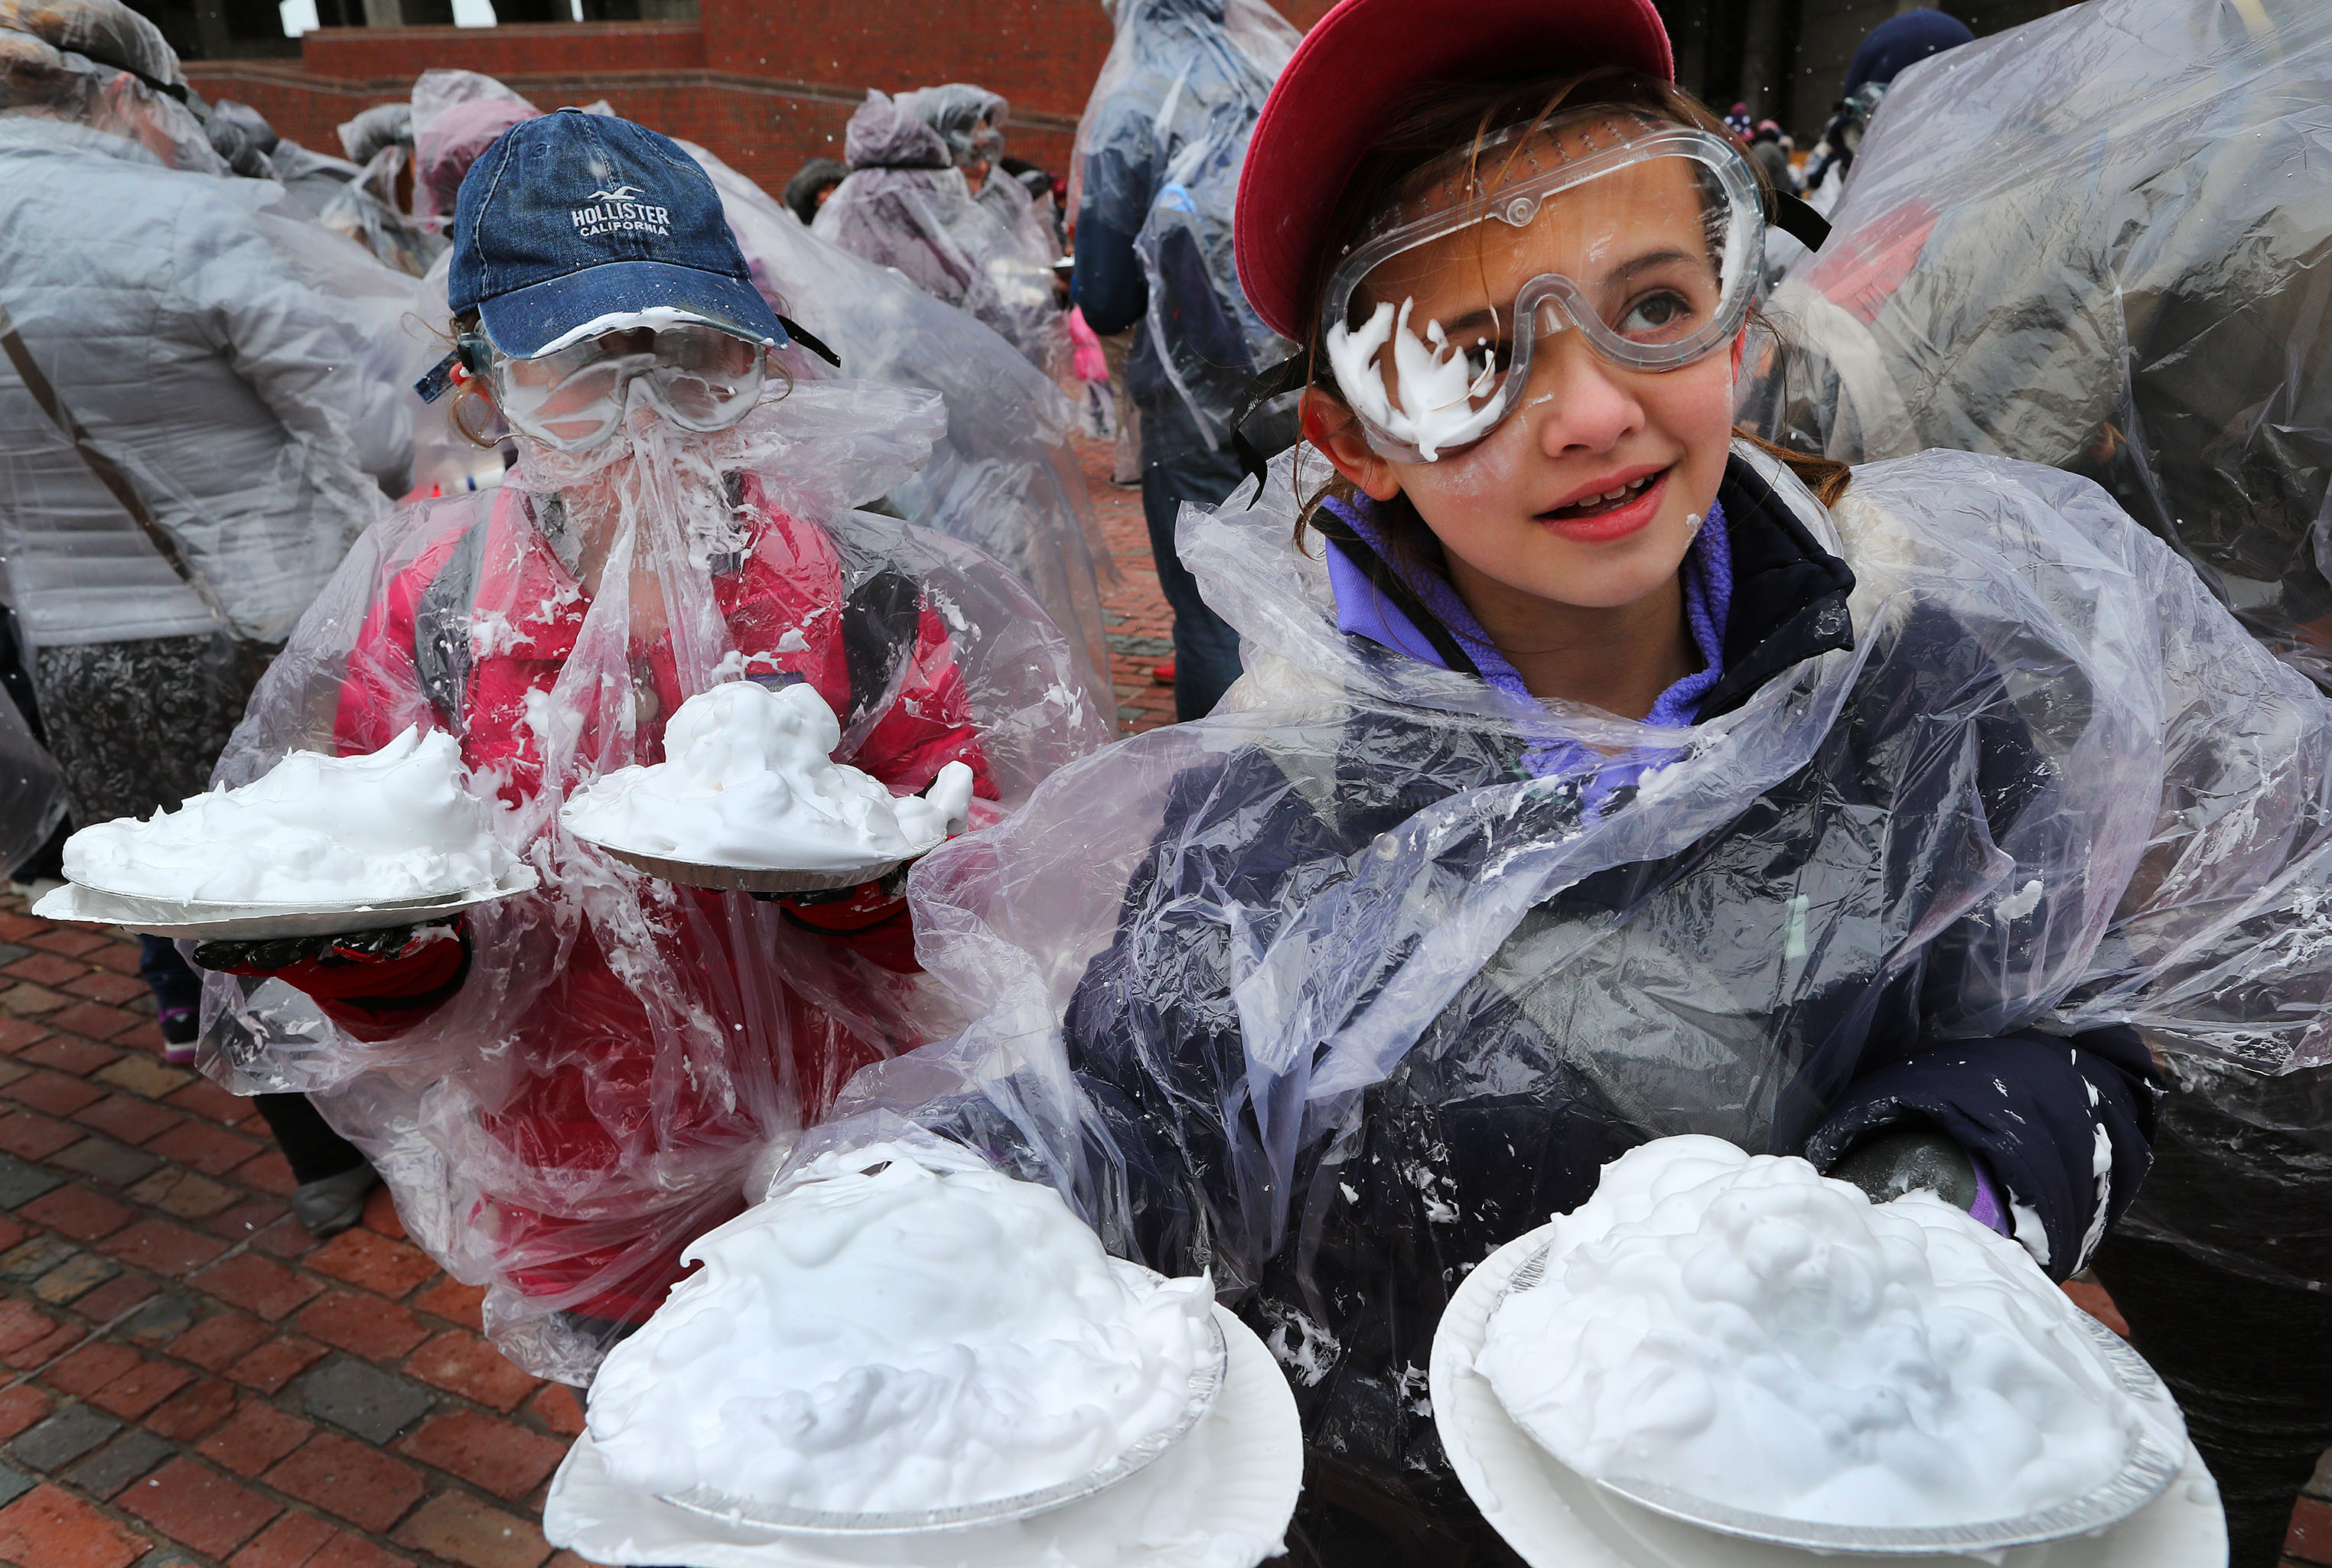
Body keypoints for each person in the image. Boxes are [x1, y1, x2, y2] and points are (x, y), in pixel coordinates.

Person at [789, 0, 2332, 1559]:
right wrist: (940, 1209)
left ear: (1738, 318)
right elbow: (1127, 1121)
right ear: (1357, 431)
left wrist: (1949, 1188)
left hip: (1800, 1505)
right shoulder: (1266, 815)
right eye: (1470, 352)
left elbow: (2072, 1031)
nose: (1594, 409)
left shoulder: (1909, 700)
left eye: (1651, 301)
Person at [191, 109, 1109, 1381]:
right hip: (583, 1183)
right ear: (479, 380)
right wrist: (365, 955)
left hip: (851, 1168)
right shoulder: (438, 609)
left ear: (760, 362)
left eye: (688, 353)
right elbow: (424, 937)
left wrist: (864, 889)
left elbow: (979, 895)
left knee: (861, 1435)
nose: (644, 405)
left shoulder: (854, 588)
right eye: (585, 358)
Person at [1741, 1, 2332, 1558]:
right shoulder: (2081, 100)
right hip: (2190, 939)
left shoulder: (2026, 96)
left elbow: (1830, 440)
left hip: (2079, 892)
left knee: (2181, 1411)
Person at [1071, 0, 1301, 721]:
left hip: (1189, 395)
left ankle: (1224, 792)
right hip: (1292, 381)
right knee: (1296, 584)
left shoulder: (1131, 106)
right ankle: (1311, 757)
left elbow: (1105, 298)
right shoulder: (1265, 81)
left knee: (1211, 611)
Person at [813, 89, 1063, 372]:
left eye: (987, 150)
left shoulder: (860, 205)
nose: (982, 166)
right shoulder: (909, 221)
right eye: (969, 151)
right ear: (932, 148)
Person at [1799, 7, 1972, 194]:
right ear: (1856, 118)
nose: (1921, 134)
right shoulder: (1817, 215)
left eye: (1950, 108)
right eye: (1894, 111)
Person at [781, 154, 845, 226]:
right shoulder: (799, 226)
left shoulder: (851, 221)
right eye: (824, 190)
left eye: (836, 188)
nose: (832, 193)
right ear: (812, 195)